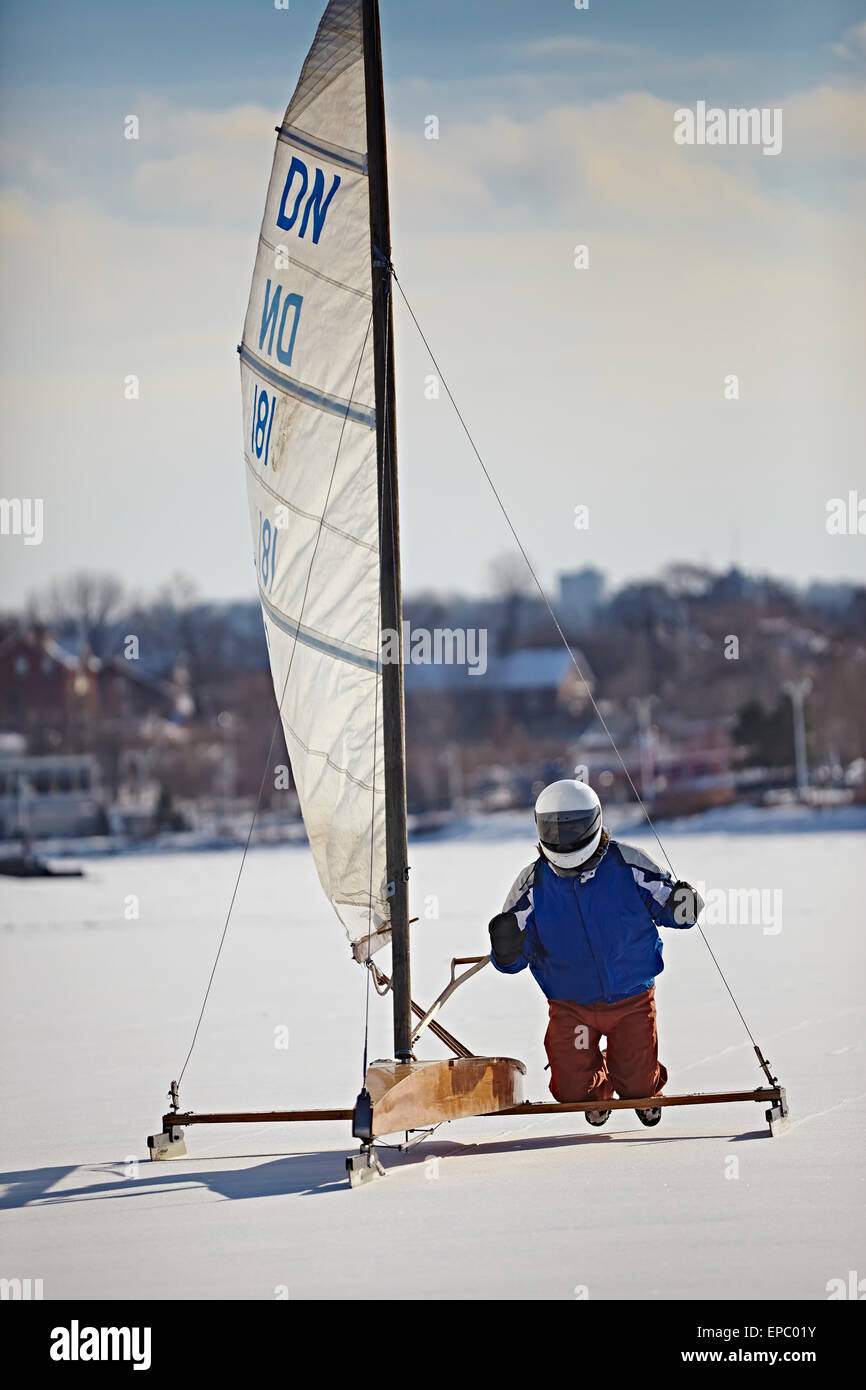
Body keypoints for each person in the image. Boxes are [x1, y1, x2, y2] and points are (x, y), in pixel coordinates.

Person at [488, 779, 703, 1128]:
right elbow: (513, 957)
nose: (565, 836)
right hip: (571, 1008)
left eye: (573, 826)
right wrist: (506, 949)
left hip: (630, 999)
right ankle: (597, 1092)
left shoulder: (626, 862)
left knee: (637, 1085)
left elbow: (670, 906)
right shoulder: (532, 883)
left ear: (594, 822)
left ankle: (643, 1088)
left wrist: (684, 905)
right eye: (556, 828)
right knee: (572, 1091)